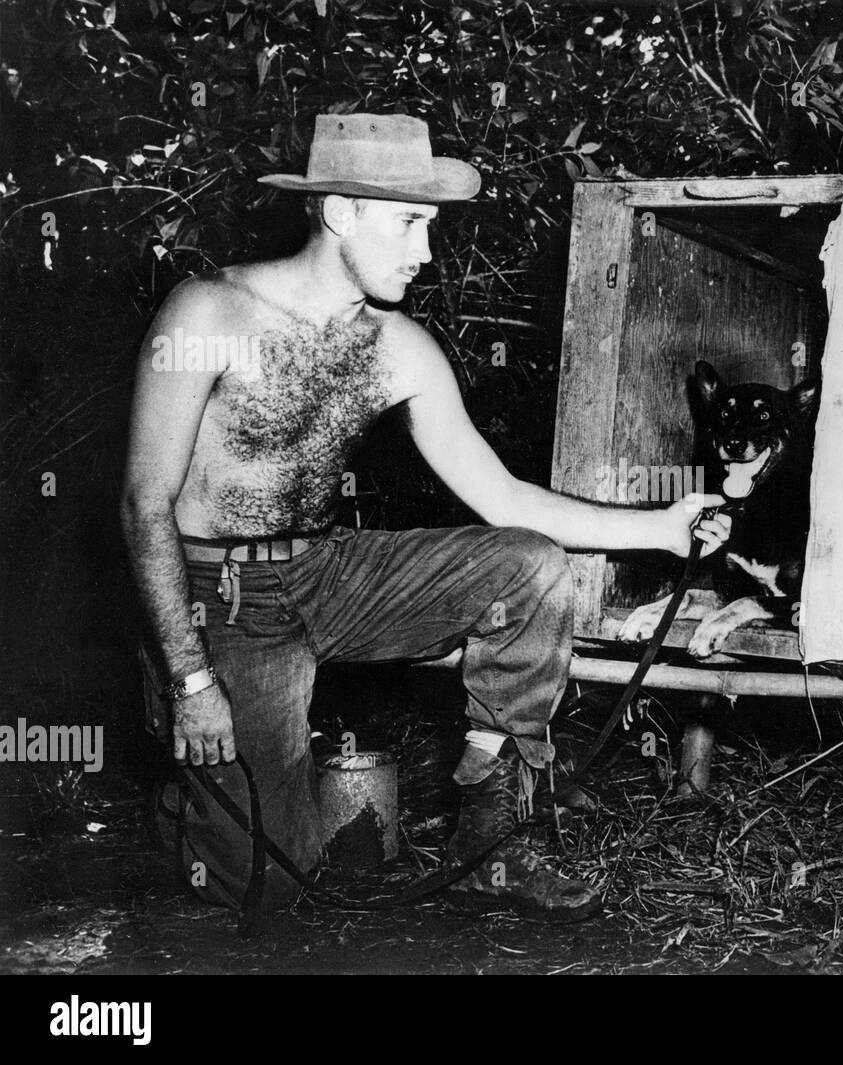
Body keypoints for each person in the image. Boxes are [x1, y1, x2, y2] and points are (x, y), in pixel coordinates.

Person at [120, 113, 732, 922]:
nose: (427, 251)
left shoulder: (399, 347)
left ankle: (490, 832)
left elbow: (503, 498)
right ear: (341, 210)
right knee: (271, 888)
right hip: (220, 599)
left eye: (430, 227)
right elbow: (143, 504)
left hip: (329, 572)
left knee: (528, 564)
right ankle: (189, 800)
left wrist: (659, 526)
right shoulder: (207, 313)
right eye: (411, 222)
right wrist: (190, 679)